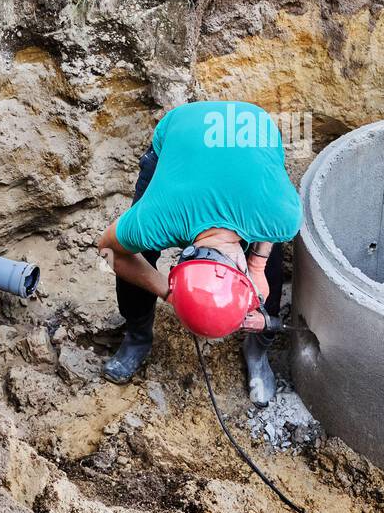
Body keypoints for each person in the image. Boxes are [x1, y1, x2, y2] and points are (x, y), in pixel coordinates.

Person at [96, 100, 302, 405]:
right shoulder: (156, 221)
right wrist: (167, 292)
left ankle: (258, 350)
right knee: (140, 256)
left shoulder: (281, 217)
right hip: (182, 129)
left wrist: (257, 267)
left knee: (270, 271)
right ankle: (137, 337)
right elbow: (107, 252)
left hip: (249, 127)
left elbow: (266, 234)